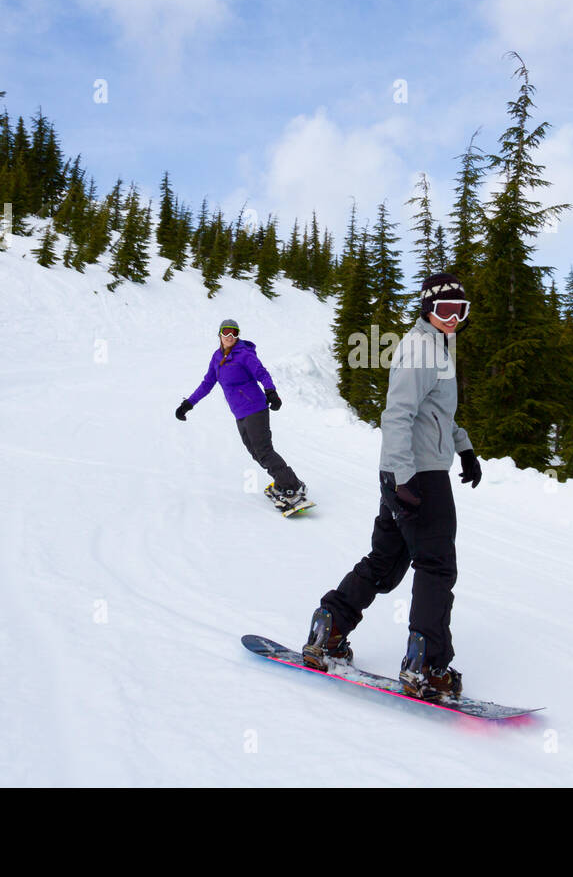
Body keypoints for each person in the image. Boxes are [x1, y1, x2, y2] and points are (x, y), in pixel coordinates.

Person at [301, 273, 482, 698]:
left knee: (385, 563)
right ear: (427, 310)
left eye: (460, 311)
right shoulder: (422, 349)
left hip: (402, 473)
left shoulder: (437, 346)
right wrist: (404, 480)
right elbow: (396, 415)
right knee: (436, 566)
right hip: (417, 475)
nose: (453, 318)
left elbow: (436, 414)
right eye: (444, 310)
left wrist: (465, 449)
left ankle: (330, 625)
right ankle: (430, 666)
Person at [175, 319, 307, 507]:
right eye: (226, 332)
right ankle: (285, 481)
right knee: (255, 452)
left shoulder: (244, 354)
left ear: (238, 335)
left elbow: (262, 373)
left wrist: (271, 392)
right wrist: (188, 404)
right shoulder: (216, 357)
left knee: (264, 450)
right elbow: (207, 384)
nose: (230, 336)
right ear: (219, 334)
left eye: (234, 333)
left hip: (256, 408)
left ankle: (291, 487)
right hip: (240, 413)